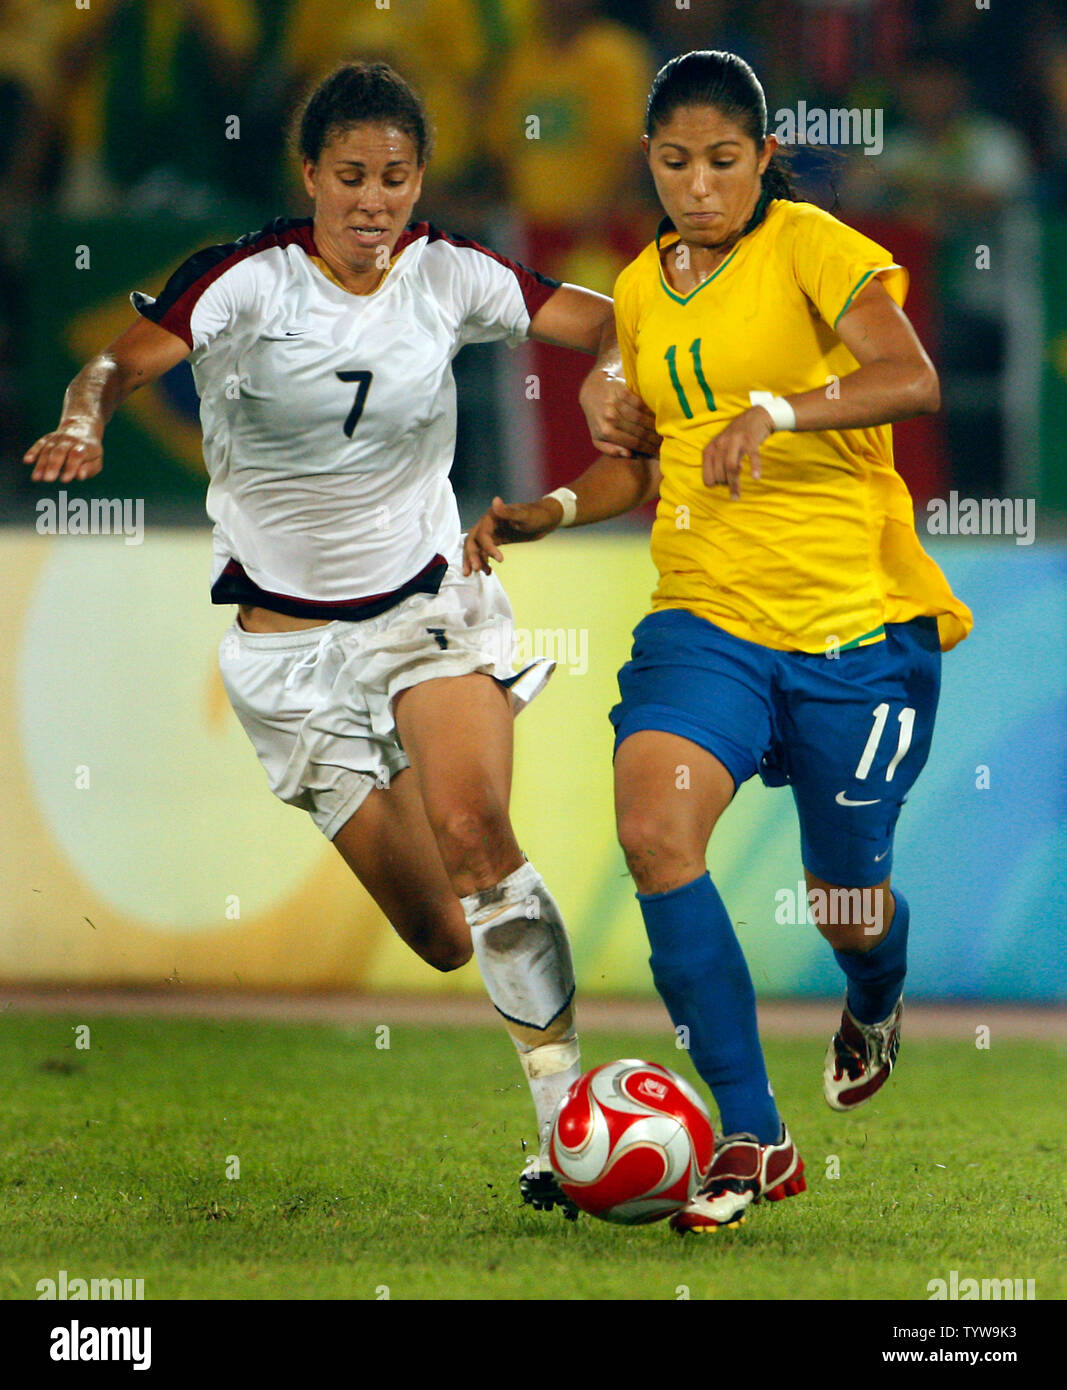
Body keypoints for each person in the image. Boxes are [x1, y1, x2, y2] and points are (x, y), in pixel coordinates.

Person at [23, 61, 656, 1218]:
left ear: (419, 182)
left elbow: (605, 318)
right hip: (287, 660)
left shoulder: (449, 272)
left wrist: (611, 376)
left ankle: (568, 1129)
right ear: (309, 174)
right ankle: (423, 779)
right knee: (439, 938)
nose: (374, 200)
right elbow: (119, 362)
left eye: (396, 177)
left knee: (480, 838)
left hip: (425, 608)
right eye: (352, 176)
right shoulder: (246, 281)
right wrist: (82, 415)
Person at [465, 49, 973, 1234]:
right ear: (649, 158)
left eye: (724, 161)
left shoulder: (814, 249)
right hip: (706, 620)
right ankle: (752, 1130)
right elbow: (639, 463)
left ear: (762, 159)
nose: (699, 184)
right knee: (652, 828)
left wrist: (778, 408)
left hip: (856, 629)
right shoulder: (638, 288)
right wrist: (546, 509)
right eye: (677, 160)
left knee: (848, 909)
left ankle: (872, 992)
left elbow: (911, 377)